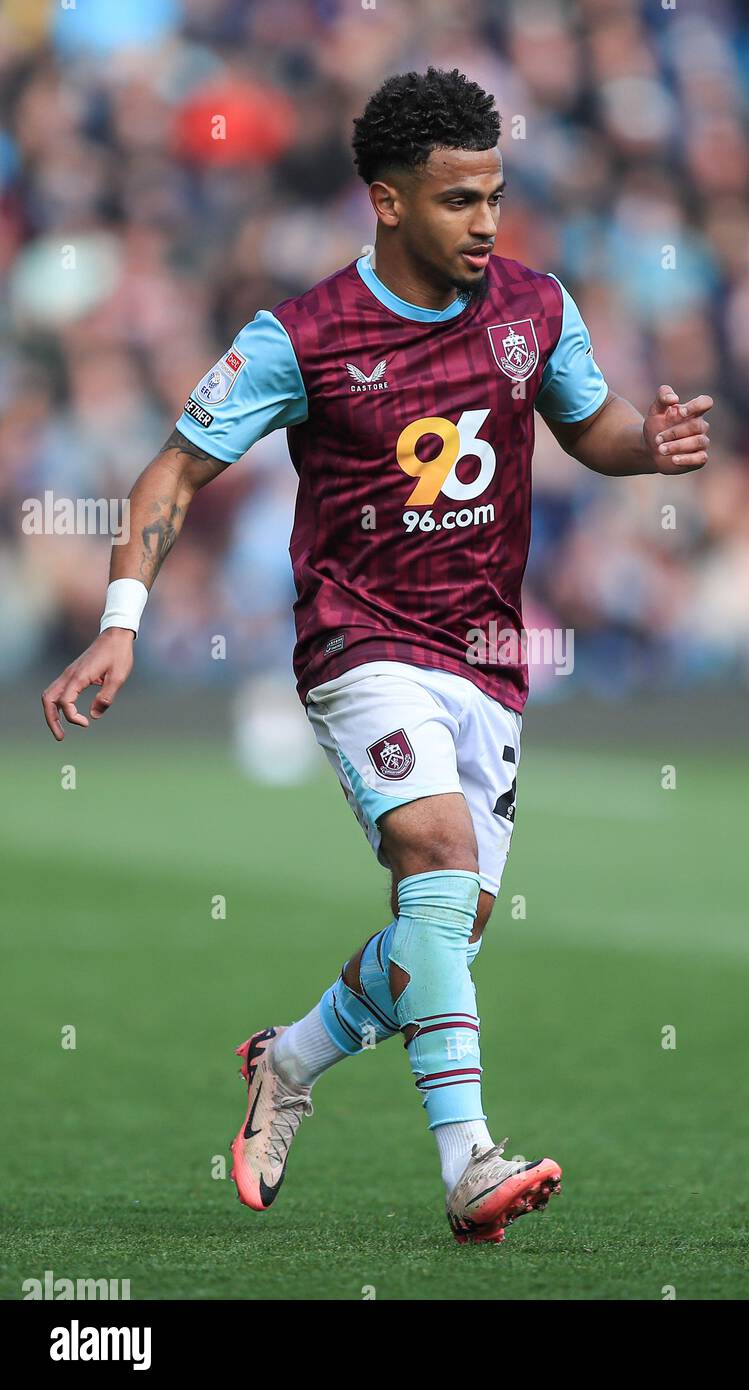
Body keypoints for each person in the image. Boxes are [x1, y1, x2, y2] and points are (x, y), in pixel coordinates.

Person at [41, 67, 712, 1244]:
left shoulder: (534, 307)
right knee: (435, 858)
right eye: (458, 200)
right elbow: (172, 473)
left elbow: (586, 422)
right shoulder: (299, 336)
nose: (487, 222)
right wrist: (121, 624)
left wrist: (645, 449)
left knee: (443, 930)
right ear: (387, 201)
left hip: (487, 657)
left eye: (495, 196)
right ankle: (469, 1165)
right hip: (358, 642)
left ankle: (286, 1058)